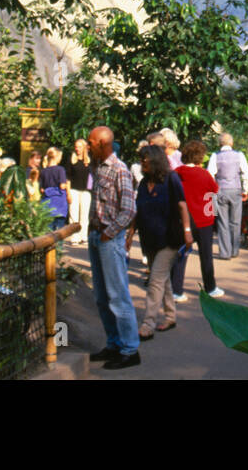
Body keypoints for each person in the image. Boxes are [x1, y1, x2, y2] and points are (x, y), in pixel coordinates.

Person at [86, 126, 141, 370]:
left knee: (118, 296)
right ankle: (114, 343)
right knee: (101, 297)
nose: (87, 146)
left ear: (102, 143)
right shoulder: (98, 167)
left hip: (110, 239)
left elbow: (129, 210)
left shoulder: (120, 171)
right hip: (97, 237)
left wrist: (109, 233)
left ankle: (130, 349)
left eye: (90, 142)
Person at [126, 144, 193, 340]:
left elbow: (182, 206)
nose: (141, 164)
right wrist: (130, 235)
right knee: (163, 279)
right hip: (149, 239)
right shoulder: (143, 183)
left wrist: (187, 232)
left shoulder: (171, 179)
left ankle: (148, 324)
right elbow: (137, 211)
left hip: (169, 239)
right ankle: (171, 316)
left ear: (154, 160)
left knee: (155, 279)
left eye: (144, 160)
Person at [174, 140, 224, 299]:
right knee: (206, 256)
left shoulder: (176, 173)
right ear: (200, 157)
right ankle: (210, 287)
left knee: (181, 255)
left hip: (183, 220)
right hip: (204, 220)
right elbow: (214, 192)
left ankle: (176, 290)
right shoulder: (204, 174)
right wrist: (214, 216)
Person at [210, 132, 248, 259]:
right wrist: (246, 190)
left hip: (221, 190)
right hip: (236, 190)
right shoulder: (239, 155)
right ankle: (234, 250)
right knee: (235, 221)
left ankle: (225, 252)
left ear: (220, 143)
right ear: (232, 143)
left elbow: (210, 174)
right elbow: (247, 174)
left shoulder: (215, 156)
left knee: (223, 222)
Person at [67, 139, 92, 245]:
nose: (77, 149)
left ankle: (84, 236)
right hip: (73, 190)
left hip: (86, 191)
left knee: (85, 215)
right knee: (73, 214)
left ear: (84, 147)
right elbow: (67, 177)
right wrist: (68, 193)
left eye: (79, 146)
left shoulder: (90, 160)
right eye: (76, 146)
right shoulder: (71, 159)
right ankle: (74, 237)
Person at [40, 146, 70, 231]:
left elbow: (41, 189)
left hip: (47, 203)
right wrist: (67, 185)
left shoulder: (43, 171)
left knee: (48, 231)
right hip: (59, 203)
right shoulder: (60, 170)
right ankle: (58, 245)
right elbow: (62, 186)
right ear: (57, 157)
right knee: (59, 231)